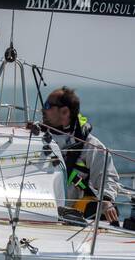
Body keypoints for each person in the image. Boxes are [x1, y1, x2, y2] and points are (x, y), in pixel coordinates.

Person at [39, 86, 121, 224]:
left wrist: (106, 201)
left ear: (65, 112)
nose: (43, 109)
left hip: (74, 216)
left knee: (99, 209)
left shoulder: (90, 145)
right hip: (36, 209)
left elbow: (108, 177)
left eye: (47, 105)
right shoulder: (35, 139)